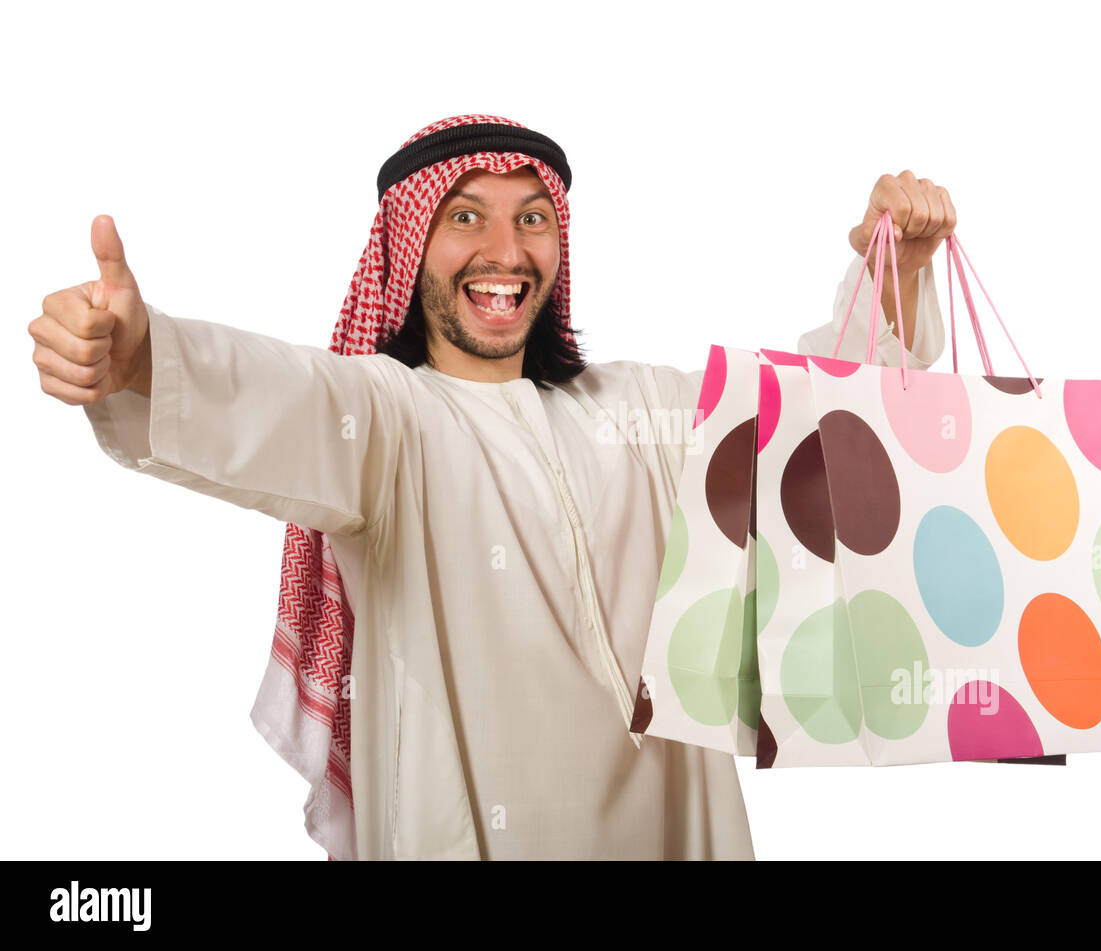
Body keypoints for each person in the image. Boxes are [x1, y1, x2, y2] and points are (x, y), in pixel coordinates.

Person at [28, 114, 953, 860]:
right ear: (407, 248)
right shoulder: (390, 424)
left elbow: (820, 437)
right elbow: (281, 396)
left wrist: (898, 276)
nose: (504, 250)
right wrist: (145, 357)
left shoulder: (644, 408)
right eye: (464, 215)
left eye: (532, 216)